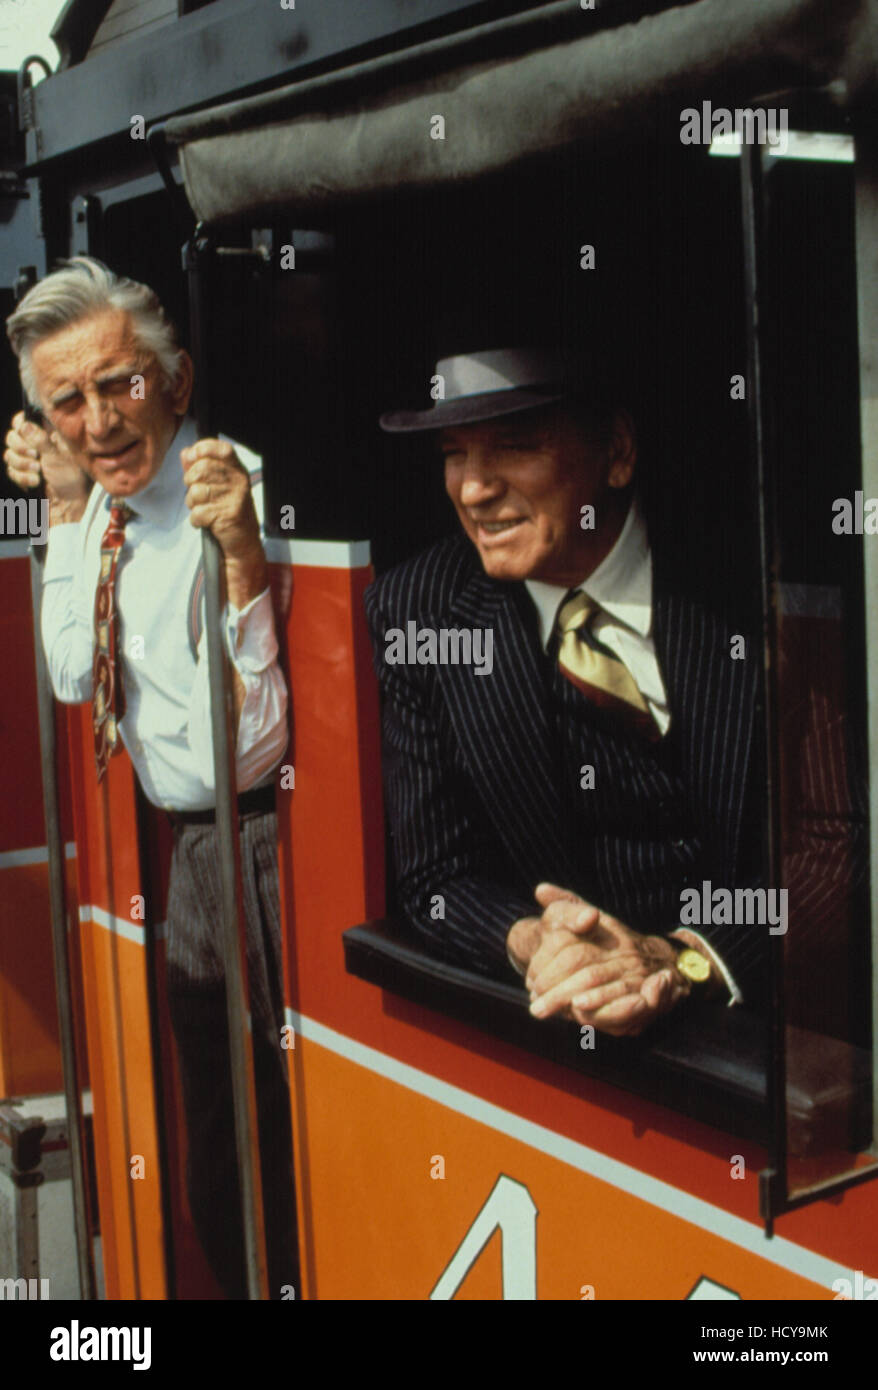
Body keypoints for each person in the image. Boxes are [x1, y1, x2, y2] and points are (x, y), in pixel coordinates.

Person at [4, 257, 297, 1298]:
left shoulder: (239, 489)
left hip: (276, 839)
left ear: (173, 380)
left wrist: (247, 558)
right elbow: (75, 673)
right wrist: (69, 506)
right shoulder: (101, 504)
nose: (98, 419)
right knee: (218, 1164)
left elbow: (251, 751)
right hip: (192, 855)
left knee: (290, 1155)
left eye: (119, 384)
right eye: (66, 402)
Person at [365, 346, 777, 1039]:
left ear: (616, 451)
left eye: (515, 446)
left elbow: (839, 845)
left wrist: (690, 958)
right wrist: (536, 940)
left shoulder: (752, 580)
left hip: (777, 1059)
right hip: (571, 1048)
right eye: (453, 453)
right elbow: (437, 876)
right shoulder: (418, 611)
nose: (472, 490)